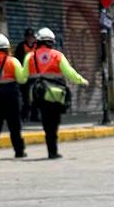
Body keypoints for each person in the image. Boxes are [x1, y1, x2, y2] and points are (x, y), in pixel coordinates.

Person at [23, 27, 88, 160]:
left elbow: (23, 77)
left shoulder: (29, 56)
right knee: (53, 122)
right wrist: (82, 81)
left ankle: (48, 149)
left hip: (37, 93)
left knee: (45, 123)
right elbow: (69, 72)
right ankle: (51, 150)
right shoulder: (57, 55)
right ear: (51, 41)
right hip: (54, 94)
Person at [14, 27, 38, 123]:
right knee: (26, 98)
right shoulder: (21, 46)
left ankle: (34, 116)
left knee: (36, 97)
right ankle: (24, 115)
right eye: (28, 37)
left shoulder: (37, 46)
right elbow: (18, 60)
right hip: (25, 76)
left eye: (31, 37)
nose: (30, 39)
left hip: (36, 76)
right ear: (25, 37)